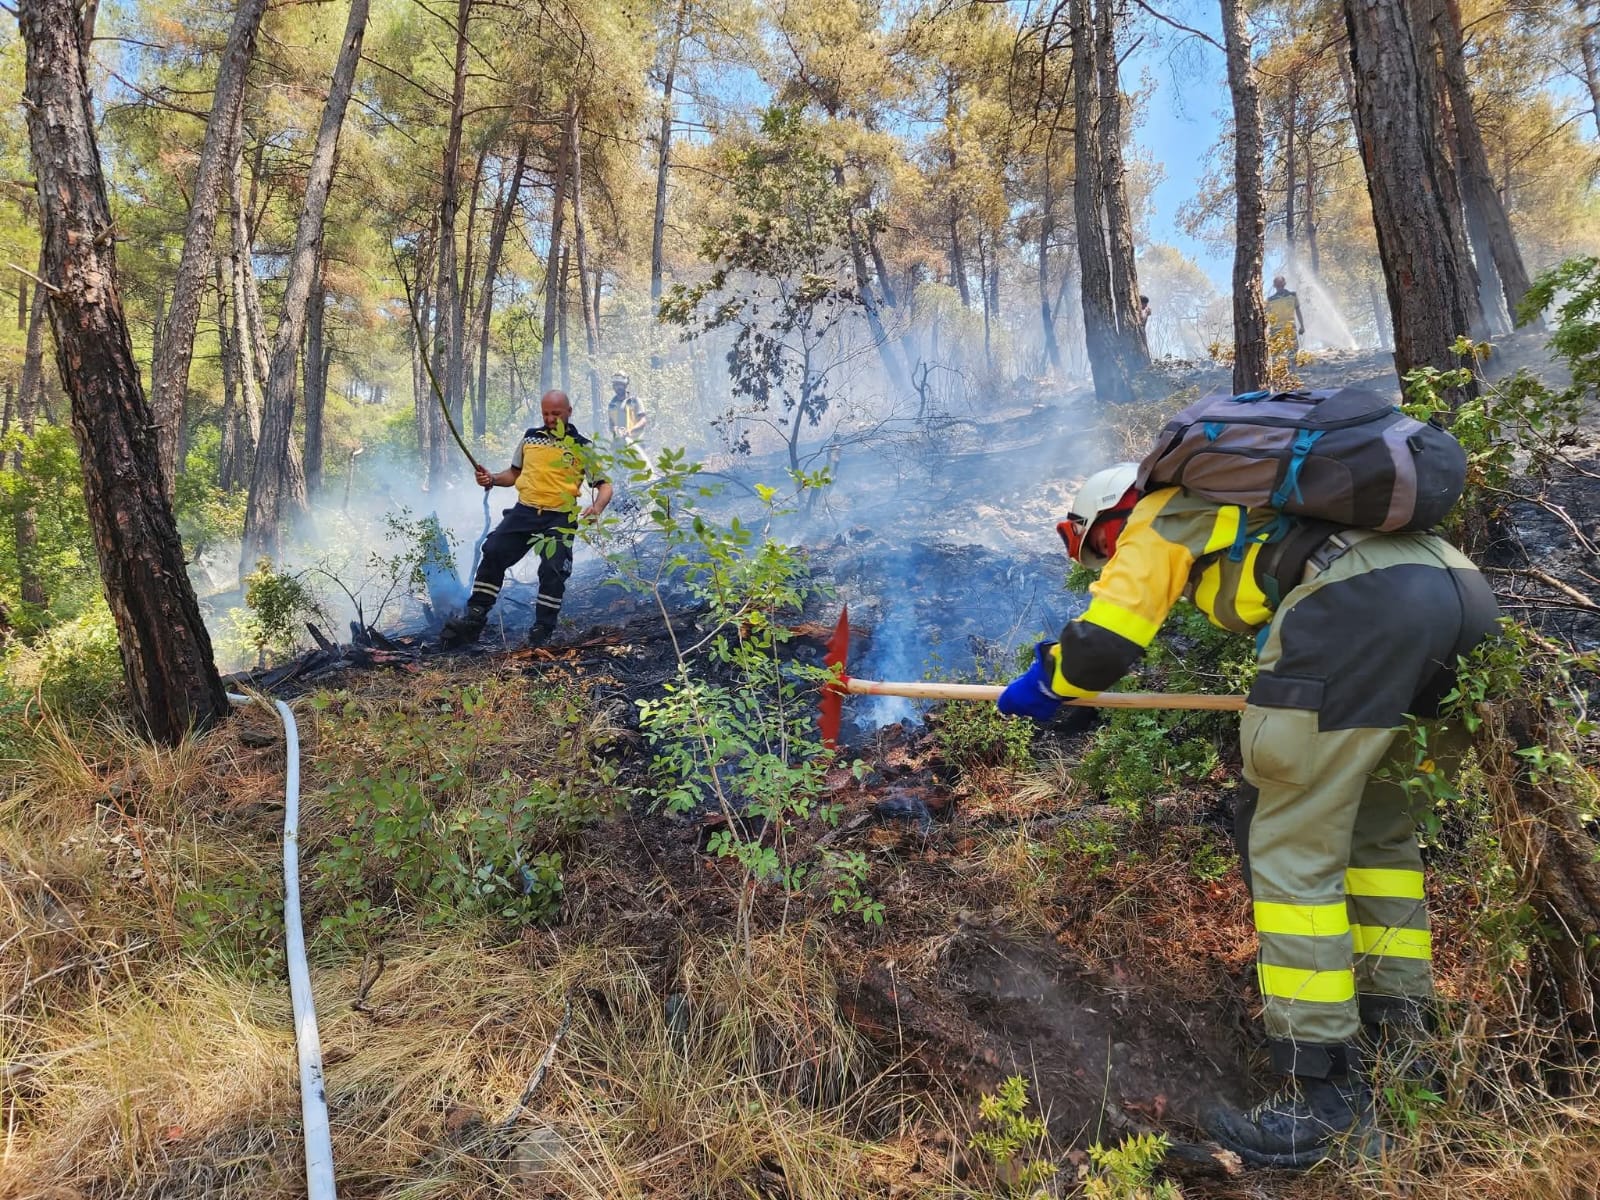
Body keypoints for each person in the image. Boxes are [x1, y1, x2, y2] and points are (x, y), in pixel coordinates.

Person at [999, 462, 1499, 1168]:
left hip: (1361, 609)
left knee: (1289, 845)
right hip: (1461, 599)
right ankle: (1408, 1056)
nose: (1108, 563)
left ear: (1105, 521)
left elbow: (1105, 641)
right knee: (1374, 841)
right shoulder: (1266, 505)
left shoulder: (1160, 512)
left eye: (1100, 553)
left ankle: (1324, 1106)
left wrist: (1048, 683)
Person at [441, 390, 612, 650]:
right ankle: (474, 619)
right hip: (524, 512)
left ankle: (542, 631)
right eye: (545, 413)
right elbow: (513, 474)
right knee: (494, 550)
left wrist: (597, 507)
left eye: (555, 413)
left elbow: (604, 485)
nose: (550, 418)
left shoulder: (582, 446)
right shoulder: (531, 438)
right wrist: (492, 479)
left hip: (560, 516)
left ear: (569, 412)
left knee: (553, 569)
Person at [1266, 275, 1305, 364]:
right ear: (1274, 286)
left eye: (1281, 284)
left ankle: (1293, 366)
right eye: (1277, 285)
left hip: (1290, 326)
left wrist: (1302, 326)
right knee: (1275, 350)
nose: (1279, 286)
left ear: (1284, 284)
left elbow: (1298, 310)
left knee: (1294, 348)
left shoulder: (1292, 295)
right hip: (1275, 328)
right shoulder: (1270, 300)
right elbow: (1266, 316)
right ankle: (1277, 368)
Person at [606, 371, 648, 448]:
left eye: (620, 385)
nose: (618, 387)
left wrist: (630, 430)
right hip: (618, 445)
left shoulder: (634, 401)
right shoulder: (612, 404)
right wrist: (615, 430)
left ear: (625, 385)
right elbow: (611, 425)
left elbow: (643, 421)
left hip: (634, 444)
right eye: (616, 385)